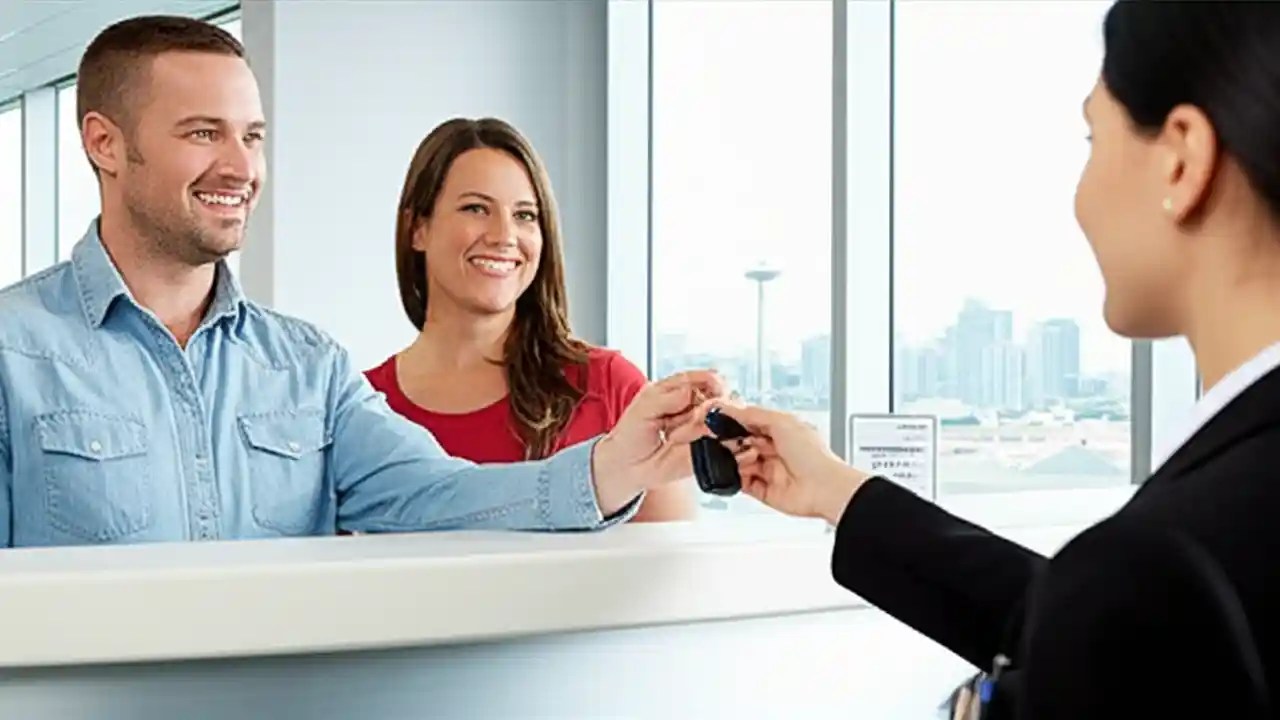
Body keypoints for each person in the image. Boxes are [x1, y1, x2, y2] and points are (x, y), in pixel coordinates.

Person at [719, 2, 1279, 718]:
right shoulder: (1188, 566)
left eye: (1091, 136)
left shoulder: (1168, 557)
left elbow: (1133, 618)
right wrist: (840, 492)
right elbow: (1133, 634)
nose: (1080, 195)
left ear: (1182, 157)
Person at [0, 16, 744, 548]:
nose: (240, 166)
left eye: (251, 136)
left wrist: (616, 465)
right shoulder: (14, 351)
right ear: (105, 143)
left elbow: (443, 495)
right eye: (203, 133)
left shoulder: (309, 368)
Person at [365, 118, 694, 522]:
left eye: (525, 215)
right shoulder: (361, 409)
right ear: (418, 228)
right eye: (476, 208)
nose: (504, 235)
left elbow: (671, 571)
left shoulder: (610, 389)